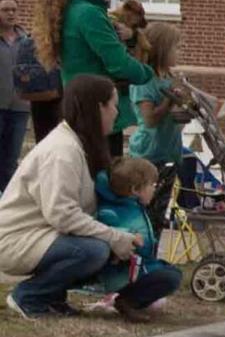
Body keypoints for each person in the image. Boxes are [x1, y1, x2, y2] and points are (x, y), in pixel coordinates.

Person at [0, 75, 162, 320]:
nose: (117, 112)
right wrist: (114, 236)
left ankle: (52, 298)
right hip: (18, 240)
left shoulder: (77, 144)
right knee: (94, 250)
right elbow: (62, 215)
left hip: (42, 235)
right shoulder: (62, 151)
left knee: (100, 247)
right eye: (114, 105)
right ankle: (28, 297)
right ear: (98, 107)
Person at [33, 0, 154, 158]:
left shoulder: (69, 7)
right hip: (98, 109)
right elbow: (119, 63)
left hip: (78, 105)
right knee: (103, 183)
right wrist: (148, 73)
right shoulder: (89, 13)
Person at [89, 156, 182, 321]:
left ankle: (133, 298)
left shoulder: (134, 206)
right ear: (135, 190)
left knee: (171, 273)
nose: (155, 190)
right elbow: (105, 229)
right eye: (152, 186)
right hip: (123, 271)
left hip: (138, 266)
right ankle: (126, 300)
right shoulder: (114, 211)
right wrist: (127, 235)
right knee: (171, 277)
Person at [128, 23, 193, 226]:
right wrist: (169, 100)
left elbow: (176, 112)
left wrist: (184, 97)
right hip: (149, 153)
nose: (180, 52)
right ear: (162, 49)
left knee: (161, 208)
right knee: (148, 209)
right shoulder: (145, 81)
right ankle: (144, 251)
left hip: (169, 151)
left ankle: (154, 249)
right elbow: (149, 119)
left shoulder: (169, 78)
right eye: (177, 47)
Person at [0, 0, 31, 192]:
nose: (11, 14)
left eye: (14, 10)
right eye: (5, 10)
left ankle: (6, 203)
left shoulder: (26, 41)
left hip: (20, 107)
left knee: (11, 158)